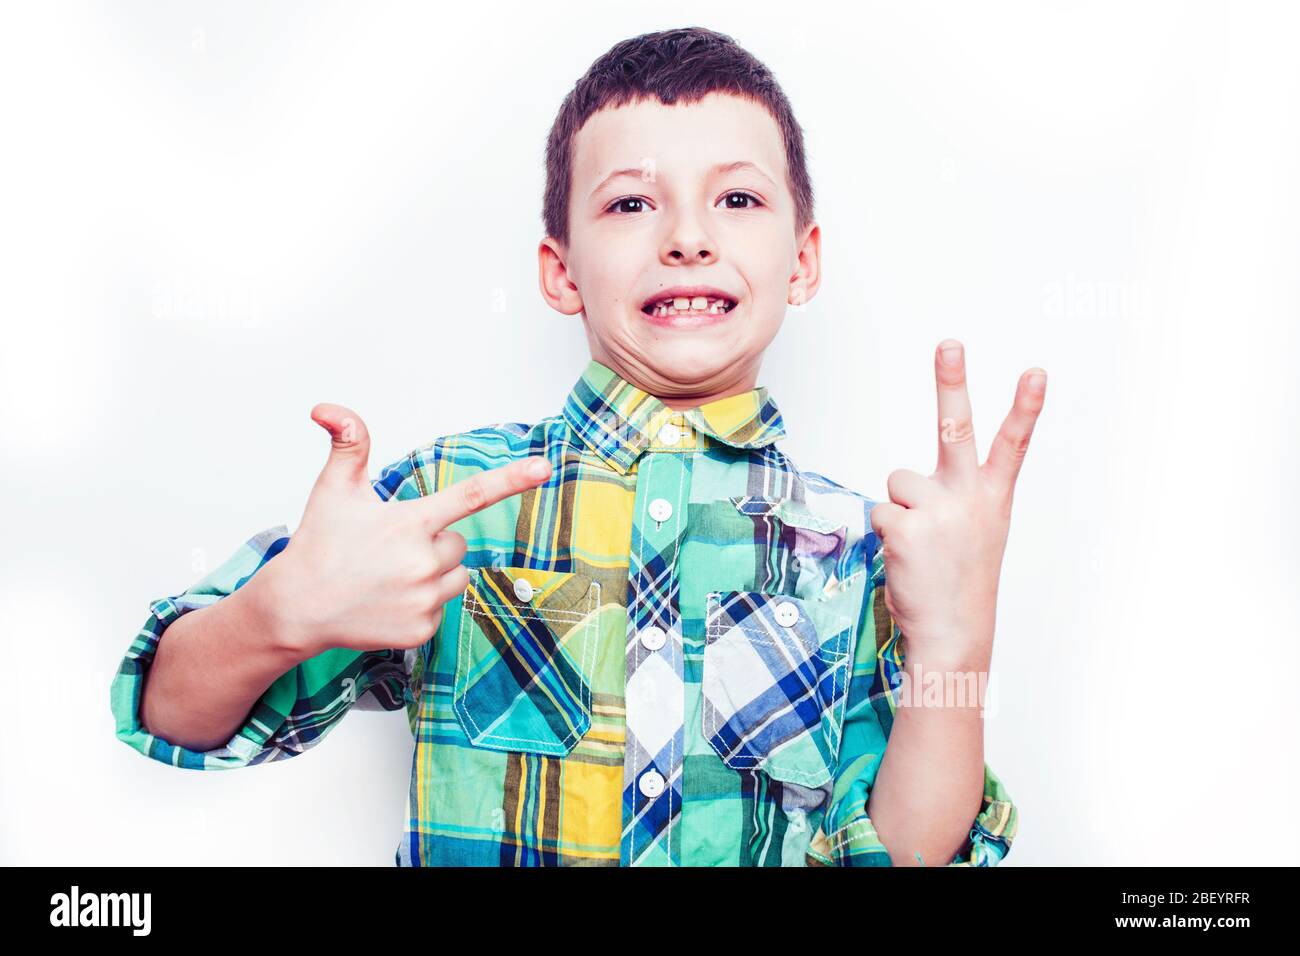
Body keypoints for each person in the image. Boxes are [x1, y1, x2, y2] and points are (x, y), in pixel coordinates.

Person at [110, 25, 1045, 867]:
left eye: (738, 199)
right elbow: (170, 713)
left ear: (801, 261)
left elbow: (909, 854)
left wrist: (961, 636)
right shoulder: (450, 500)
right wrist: (281, 611)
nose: (687, 237)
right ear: (561, 272)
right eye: (632, 205)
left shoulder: (863, 549)